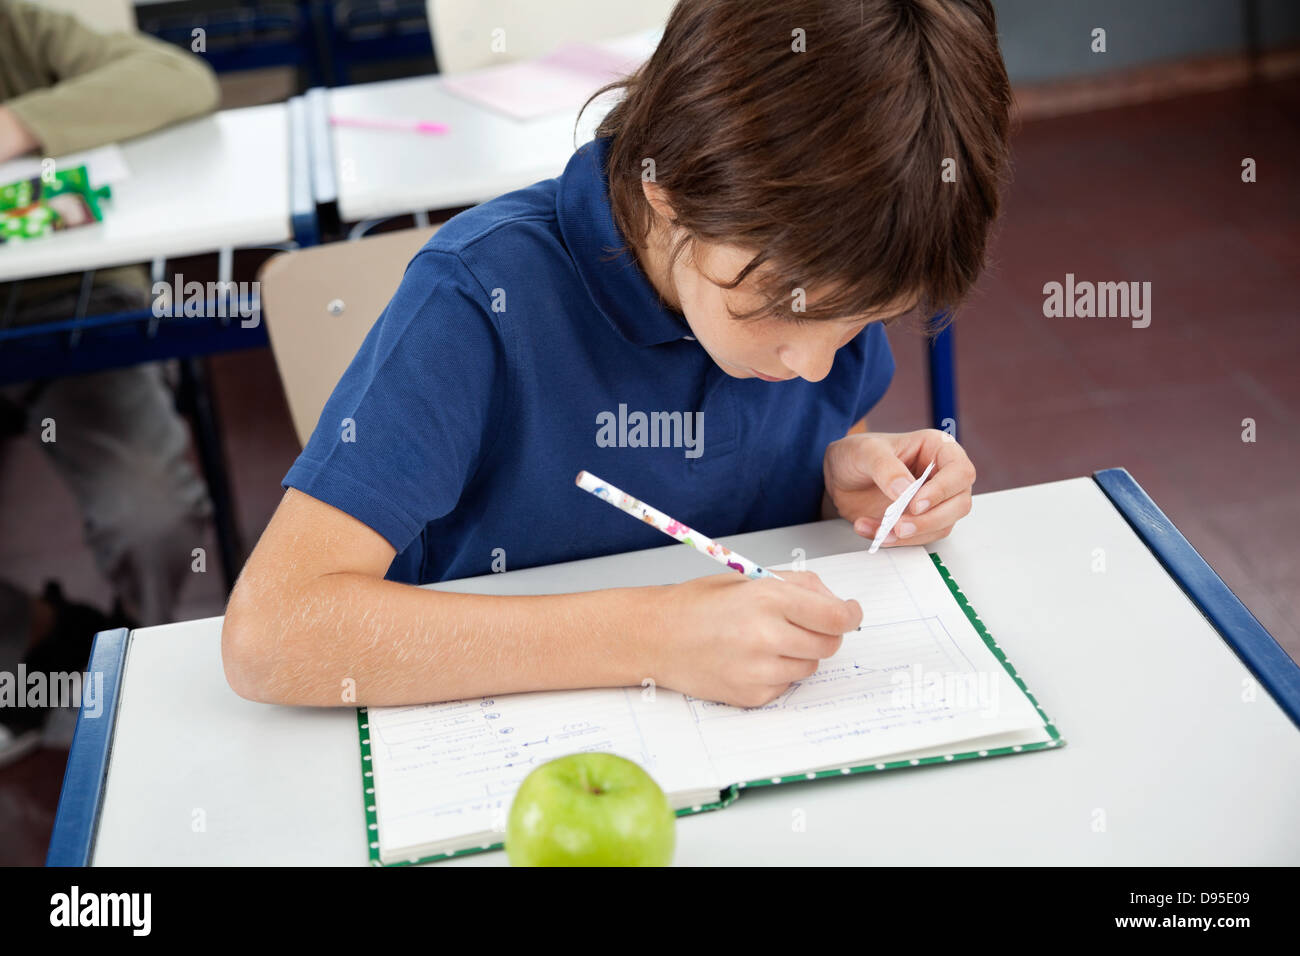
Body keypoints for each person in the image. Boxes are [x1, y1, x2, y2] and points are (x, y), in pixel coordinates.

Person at [223, 0, 1007, 711]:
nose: (814, 365)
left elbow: (772, 467)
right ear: (672, 183)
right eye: (787, 308)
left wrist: (841, 474)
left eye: (862, 324)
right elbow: (273, 634)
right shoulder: (479, 301)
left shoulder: (819, 273)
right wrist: (651, 638)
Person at [0, 0, 221, 764]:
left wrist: (19, 126)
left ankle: (138, 658)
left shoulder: (18, 28)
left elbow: (176, 76)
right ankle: (38, 633)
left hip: (63, 302)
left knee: (150, 515)